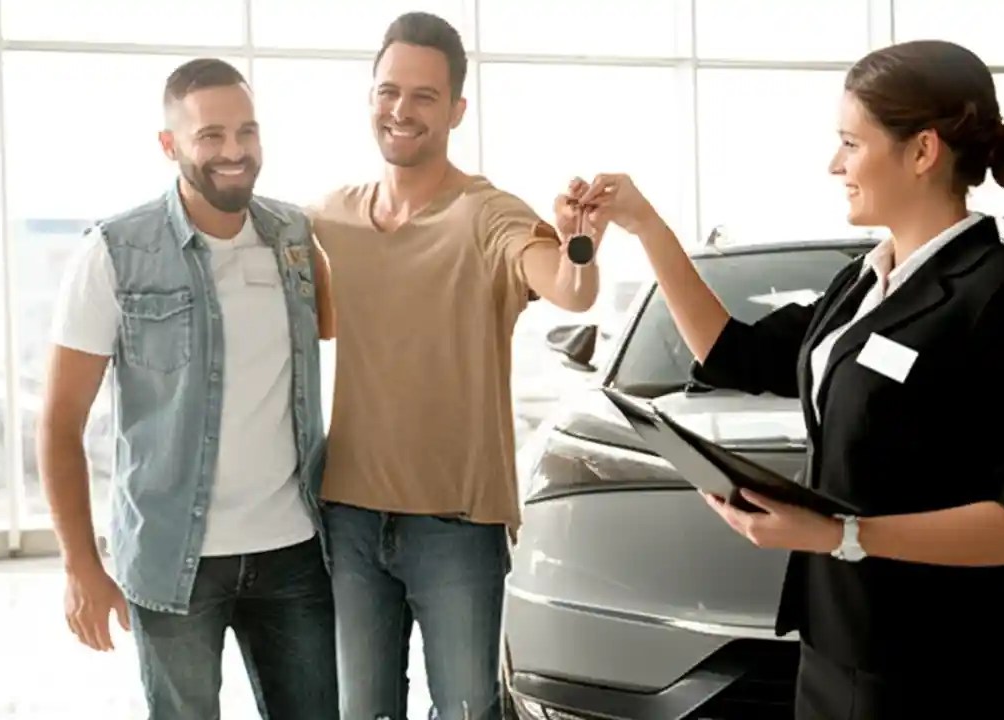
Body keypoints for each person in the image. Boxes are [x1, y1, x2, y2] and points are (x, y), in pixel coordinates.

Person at [566, 40, 1004, 719]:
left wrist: (842, 536)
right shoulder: (863, 284)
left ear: (923, 150)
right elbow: (735, 354)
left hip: (933, 665)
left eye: (850, 142)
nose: (834, 164)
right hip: (834, 641)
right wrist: (645, 225)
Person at [305, 11, 602, 719]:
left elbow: (570, 287)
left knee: (470, 711)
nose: (401, 110)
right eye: (388, 91)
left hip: (456, 526)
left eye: (423, 96)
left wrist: (579, 242)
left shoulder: (486, 214)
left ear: (457, 110)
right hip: (348, 516)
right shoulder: (330, 217)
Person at [37, 57, 338, 720]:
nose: (233, 152)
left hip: (294, 553)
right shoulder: (116, 251)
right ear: (170, 145)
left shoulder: (294, 237)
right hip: (175, 561)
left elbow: (368, 329)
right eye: (210, 137)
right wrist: (80, 566)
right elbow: (60, 423)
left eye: (247, 132)